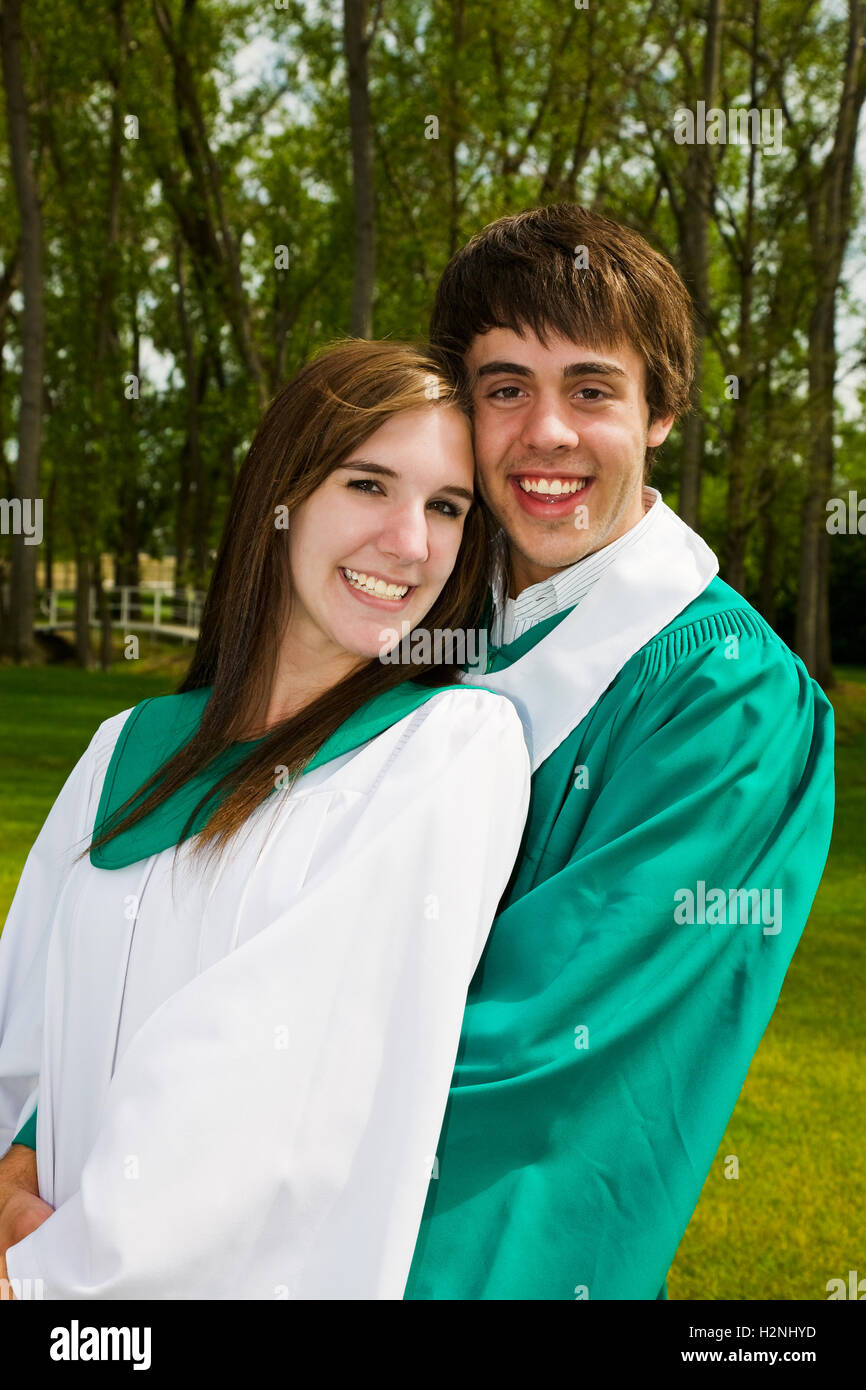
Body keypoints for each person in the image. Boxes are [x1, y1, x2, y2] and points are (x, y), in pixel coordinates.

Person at [5, 203, 837, 1301]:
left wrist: (116, 1238)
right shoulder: (414, 629)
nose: (544, 433)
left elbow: (545, 1069)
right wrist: (37, 1142)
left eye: (590, 389)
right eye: (504, 388)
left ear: (664, 413)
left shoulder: (722, 703)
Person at [0, 339, 531, 1299]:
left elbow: (278, 1079)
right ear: (279, 499)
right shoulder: (126, 746)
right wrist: (15, 1163)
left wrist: (47, 1281)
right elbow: (27, 1015)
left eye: (447, 507)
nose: (410, 542)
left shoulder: (451, 750)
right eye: (369, 485)